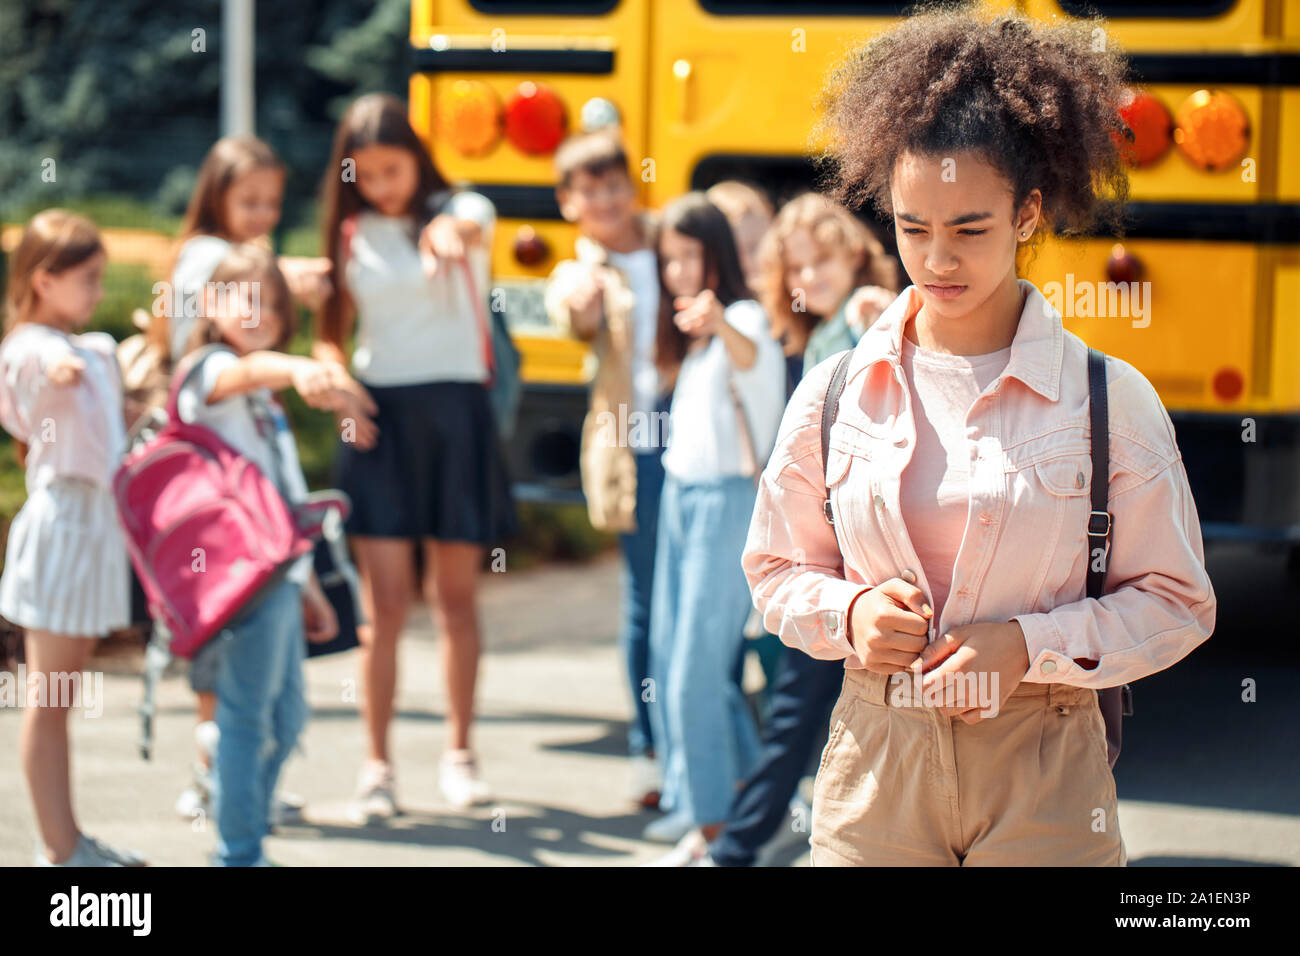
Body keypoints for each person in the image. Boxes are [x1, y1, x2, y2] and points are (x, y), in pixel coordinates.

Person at [743, 8, 1216, 866]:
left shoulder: (1110, 400)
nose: (936, 261)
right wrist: (848, 612)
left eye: (969, 229)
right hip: (874, 768)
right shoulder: (836, 389)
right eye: (912, 227)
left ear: (1029, 213)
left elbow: (1179, 604)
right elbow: (775, 572)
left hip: (1046, 774)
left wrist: (1028, 646)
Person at [314, 93, 518, 819]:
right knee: (386, 607)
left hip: (456, 414)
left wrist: (445, 230)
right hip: (379, 421)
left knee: (456, 600)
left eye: (392, 169)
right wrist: (335, 384)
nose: (381, 185)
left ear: (417, 156)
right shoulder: (347, 232)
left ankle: (459, 755)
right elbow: (328, 333)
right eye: (365, 174)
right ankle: (377, 768)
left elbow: (468, 223)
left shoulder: (466, 208)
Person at [708, 193, 903, 867]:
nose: (809, 279)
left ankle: (734, 849)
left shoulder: (865, 318)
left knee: (798, 708)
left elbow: (878, 322)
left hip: (855, 561)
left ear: (854, 253)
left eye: (821, 261)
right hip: (830, 553)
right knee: (814, 706)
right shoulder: (815, 337)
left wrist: (875, 313)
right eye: (796, 269)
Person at [176, 243, 369, 865]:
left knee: (285, 721)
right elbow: (238, 374)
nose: (257, 311)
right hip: (237, 580)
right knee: (249, 720)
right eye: (243, 297)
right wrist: (293, 367)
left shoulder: (266, 404)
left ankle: (239, 819)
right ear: (211, 303)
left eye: (271, 303)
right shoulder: (210, 369)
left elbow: (285, 504)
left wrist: (308, 585)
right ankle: (239, 850)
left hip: (279, 576)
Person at [644, 193, 786, 865]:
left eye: (687, 255)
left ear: (715, 254)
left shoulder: (744, 317)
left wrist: (719, 320)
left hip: (726, 503)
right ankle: (760, 802)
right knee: (676, 660)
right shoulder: (695, 342)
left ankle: (713, 830)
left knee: (694, 673)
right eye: (667, 259)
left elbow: (753, 350)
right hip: (681, 496)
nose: (676, 271)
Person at [0, 210, 144, 866]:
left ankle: (67, 839)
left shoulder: (94, 350)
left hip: (94, 527)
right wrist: (62, 366)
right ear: (43, 279)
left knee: (60, 696)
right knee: (50, 698)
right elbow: (39, 363)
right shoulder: (35, 347)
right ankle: (59, 849)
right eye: (86, 279)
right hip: (63, 527)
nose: (95, 291)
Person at [545, 130, 666, 808]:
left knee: (709, 594)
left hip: (698, 436)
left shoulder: (671, 242)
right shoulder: (581, 270)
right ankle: (648, 745)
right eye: (589, 191)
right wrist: (586, 301)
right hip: (636, 445)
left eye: (614, 184)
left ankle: (706, 735)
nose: (606, 199)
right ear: (569, 204)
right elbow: (573, 315)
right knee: (649, 596)